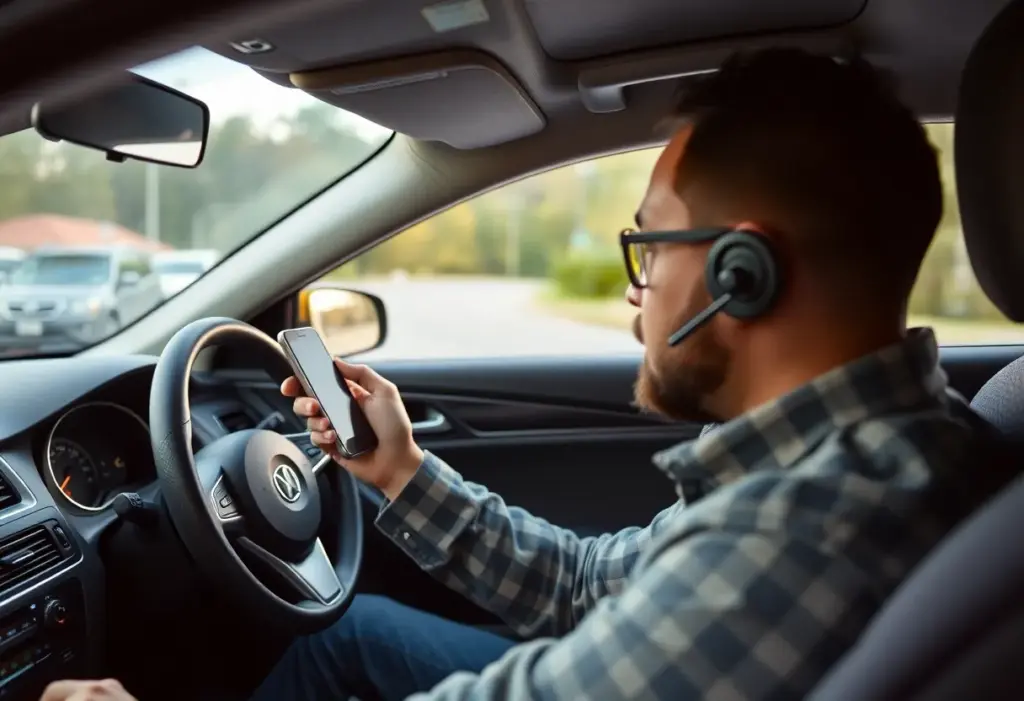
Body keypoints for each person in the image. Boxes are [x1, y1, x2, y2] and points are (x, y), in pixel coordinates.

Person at [40, 47, 1010, 701]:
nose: (635, 291)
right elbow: (594, 584)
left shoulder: (810, 527)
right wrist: (402, 472)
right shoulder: (869, 449)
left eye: (650, 246)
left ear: (739, 272)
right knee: (353, 633)